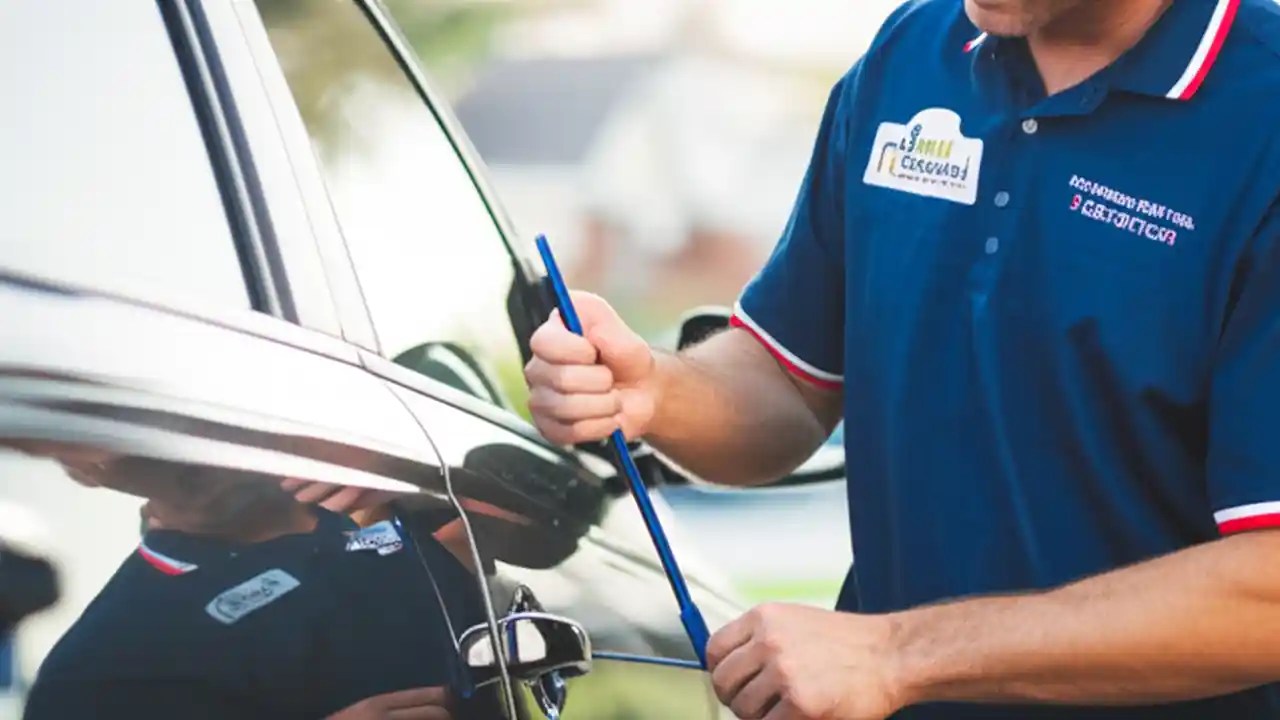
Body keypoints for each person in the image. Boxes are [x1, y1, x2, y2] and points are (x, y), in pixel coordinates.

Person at [522, 0, 1280, 718]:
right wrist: (655, 390)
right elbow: (791, 383)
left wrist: (898, 655)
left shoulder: (1262, 116)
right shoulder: (911, 54)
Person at [23, 460, 497, 719]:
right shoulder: (96, 668)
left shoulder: (418, 511)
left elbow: (533, 512)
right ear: (80, 462)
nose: (176, 438)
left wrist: (419, 478)